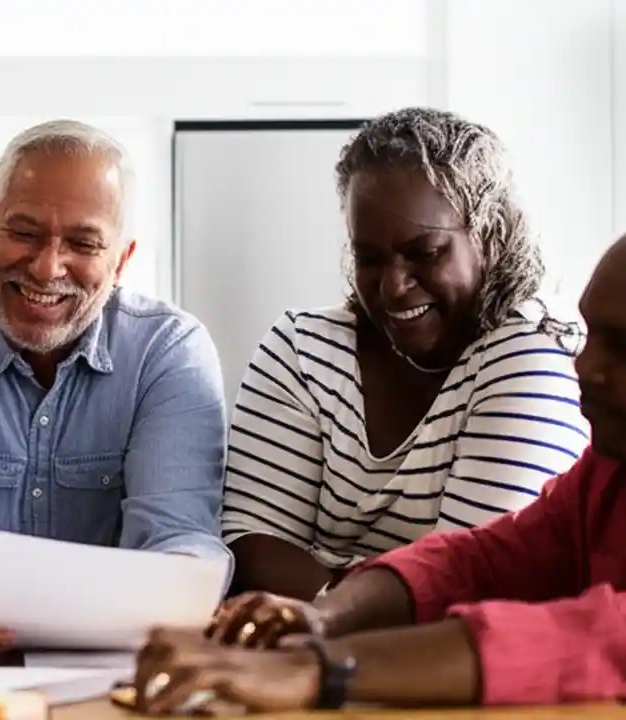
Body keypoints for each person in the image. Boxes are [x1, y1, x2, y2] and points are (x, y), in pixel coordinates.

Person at [133, 234, 626, 714]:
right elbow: (476, 561)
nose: (584, 367)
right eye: (591, 337)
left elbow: (593, 636)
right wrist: (325, 615)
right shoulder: (603, 476)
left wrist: (315, 668)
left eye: (622, 346)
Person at [0, 119, 230, 663]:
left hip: (122, 669)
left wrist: (178, 601)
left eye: (83, 243)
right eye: (24, 233)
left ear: (123, 259)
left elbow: (177, 532)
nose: (46, 267)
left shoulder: (169, 352)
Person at [222, 107, 587, 600]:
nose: (393, 286)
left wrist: (328, 605)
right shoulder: (303, 350)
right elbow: (251, 548)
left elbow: (471, 583)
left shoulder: (534, 352)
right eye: (369, 258)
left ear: (490, 236)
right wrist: (359, 607)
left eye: (425, 253)